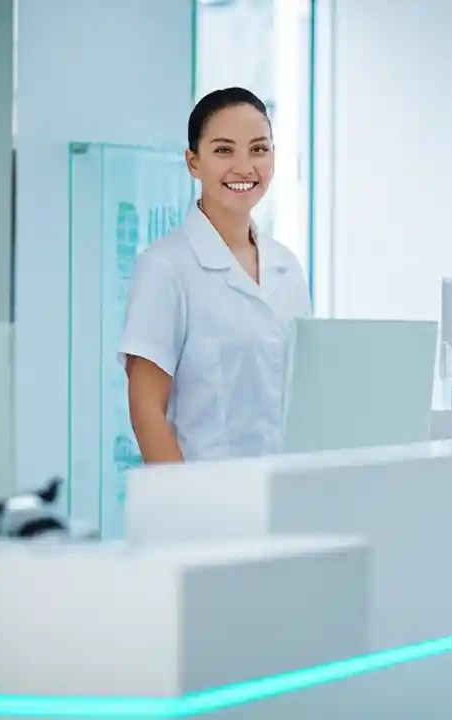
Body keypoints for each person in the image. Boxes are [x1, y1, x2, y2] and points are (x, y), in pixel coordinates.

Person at [119, 87, 311, 464]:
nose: (244, 167)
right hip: (205, 503)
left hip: (284, 496)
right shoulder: (165, 267)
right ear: (193, 162)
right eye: (224, 150)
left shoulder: (286, 267)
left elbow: (300, 395)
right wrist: (187, 504)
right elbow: (146, 411)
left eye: (259, 149)